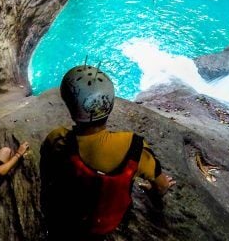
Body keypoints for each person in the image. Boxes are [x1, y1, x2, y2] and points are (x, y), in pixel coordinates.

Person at [41, 65, 175, 239]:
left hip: (70, 217)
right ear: (110, 105)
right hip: (108, 222)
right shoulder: (134, 147)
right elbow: (161, 187)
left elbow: (48, 173)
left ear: (69, 106)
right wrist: (154, 188)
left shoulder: (58, 138)